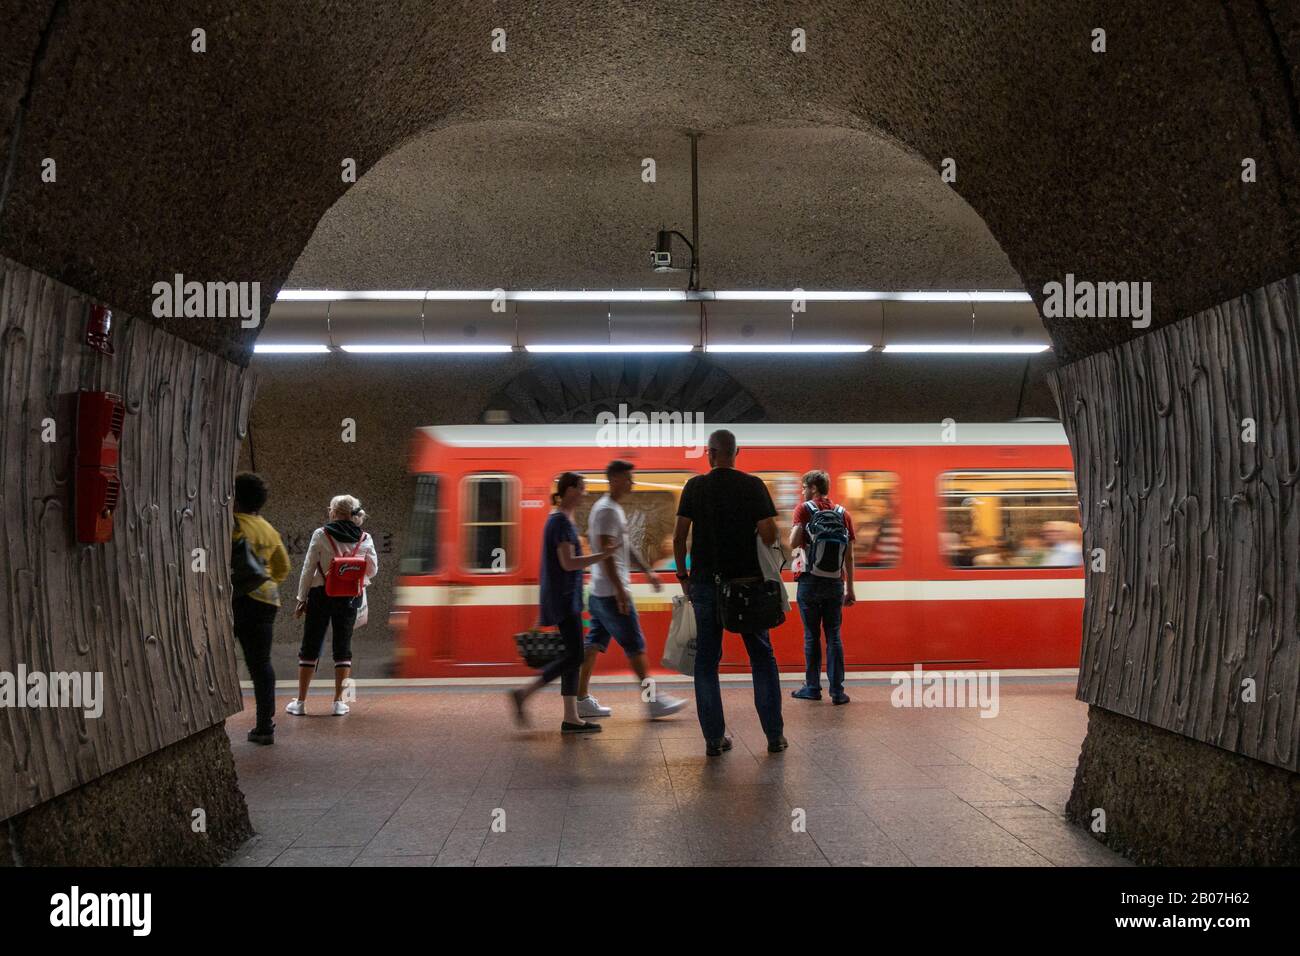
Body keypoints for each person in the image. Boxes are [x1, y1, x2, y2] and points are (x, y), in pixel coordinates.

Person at [673, 429, 786, 756]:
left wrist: (684, 577)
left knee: (706, 662)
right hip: (747, 587)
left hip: (706, 584)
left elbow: (680, 537)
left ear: (710, 453)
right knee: (762, 657)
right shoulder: (753, 485)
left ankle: (714, 740)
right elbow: (768, 535)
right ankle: (774, 736)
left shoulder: (694, 487)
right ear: (737, 453)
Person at [575, 460, 689, 720]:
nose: (632, 483)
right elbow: (605, 554)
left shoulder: (612, 509)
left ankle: (580, 699)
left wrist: (648, 572)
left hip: (600, 592)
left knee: (593, 644)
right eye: (628, 478)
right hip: (610, 593)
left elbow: (623, 548)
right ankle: (652, 701)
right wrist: (620, 591)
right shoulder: (606, 511)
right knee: (635, 646)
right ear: (614, 479)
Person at [510, 472, 613, 733]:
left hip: (566, 597)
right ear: (568, 490)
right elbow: (568, 563)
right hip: (565, 598)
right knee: (576, 655)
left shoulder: (560, 520)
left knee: (572, 655)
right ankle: (525, 693)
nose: (584, 493)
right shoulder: (560, 523)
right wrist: (602, 556)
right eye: (581, 488)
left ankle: (571, 718)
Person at [287, 494, 378, 716]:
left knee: (310, 645)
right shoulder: (365, 537)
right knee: (343, 648)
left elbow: (308, 569)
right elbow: (373, 569)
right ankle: (339, 702)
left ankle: (300, 702)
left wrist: (301, 599)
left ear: (335, 512)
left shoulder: (321, 534)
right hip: (349, 598)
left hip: (321, 595)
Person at [231, 472, 291, 745]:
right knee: (261, 664)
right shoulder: (268, 529)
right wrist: (265, 583)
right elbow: (283, 568)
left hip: (235, 600)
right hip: (266, 600)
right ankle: (265, 726)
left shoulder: (232, 524)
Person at [789, 470, 856, 705]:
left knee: (811, 636)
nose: (802, 491)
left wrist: (796, 532)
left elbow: (793, 543)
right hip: (835, 583)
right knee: (834, 636)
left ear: (813, 488)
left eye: (803, 487)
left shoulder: (803, 510)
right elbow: (848, 556)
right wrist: (850, 589)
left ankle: (812, 687)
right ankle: (837, 691)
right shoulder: (843, 513)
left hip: (809, 581)